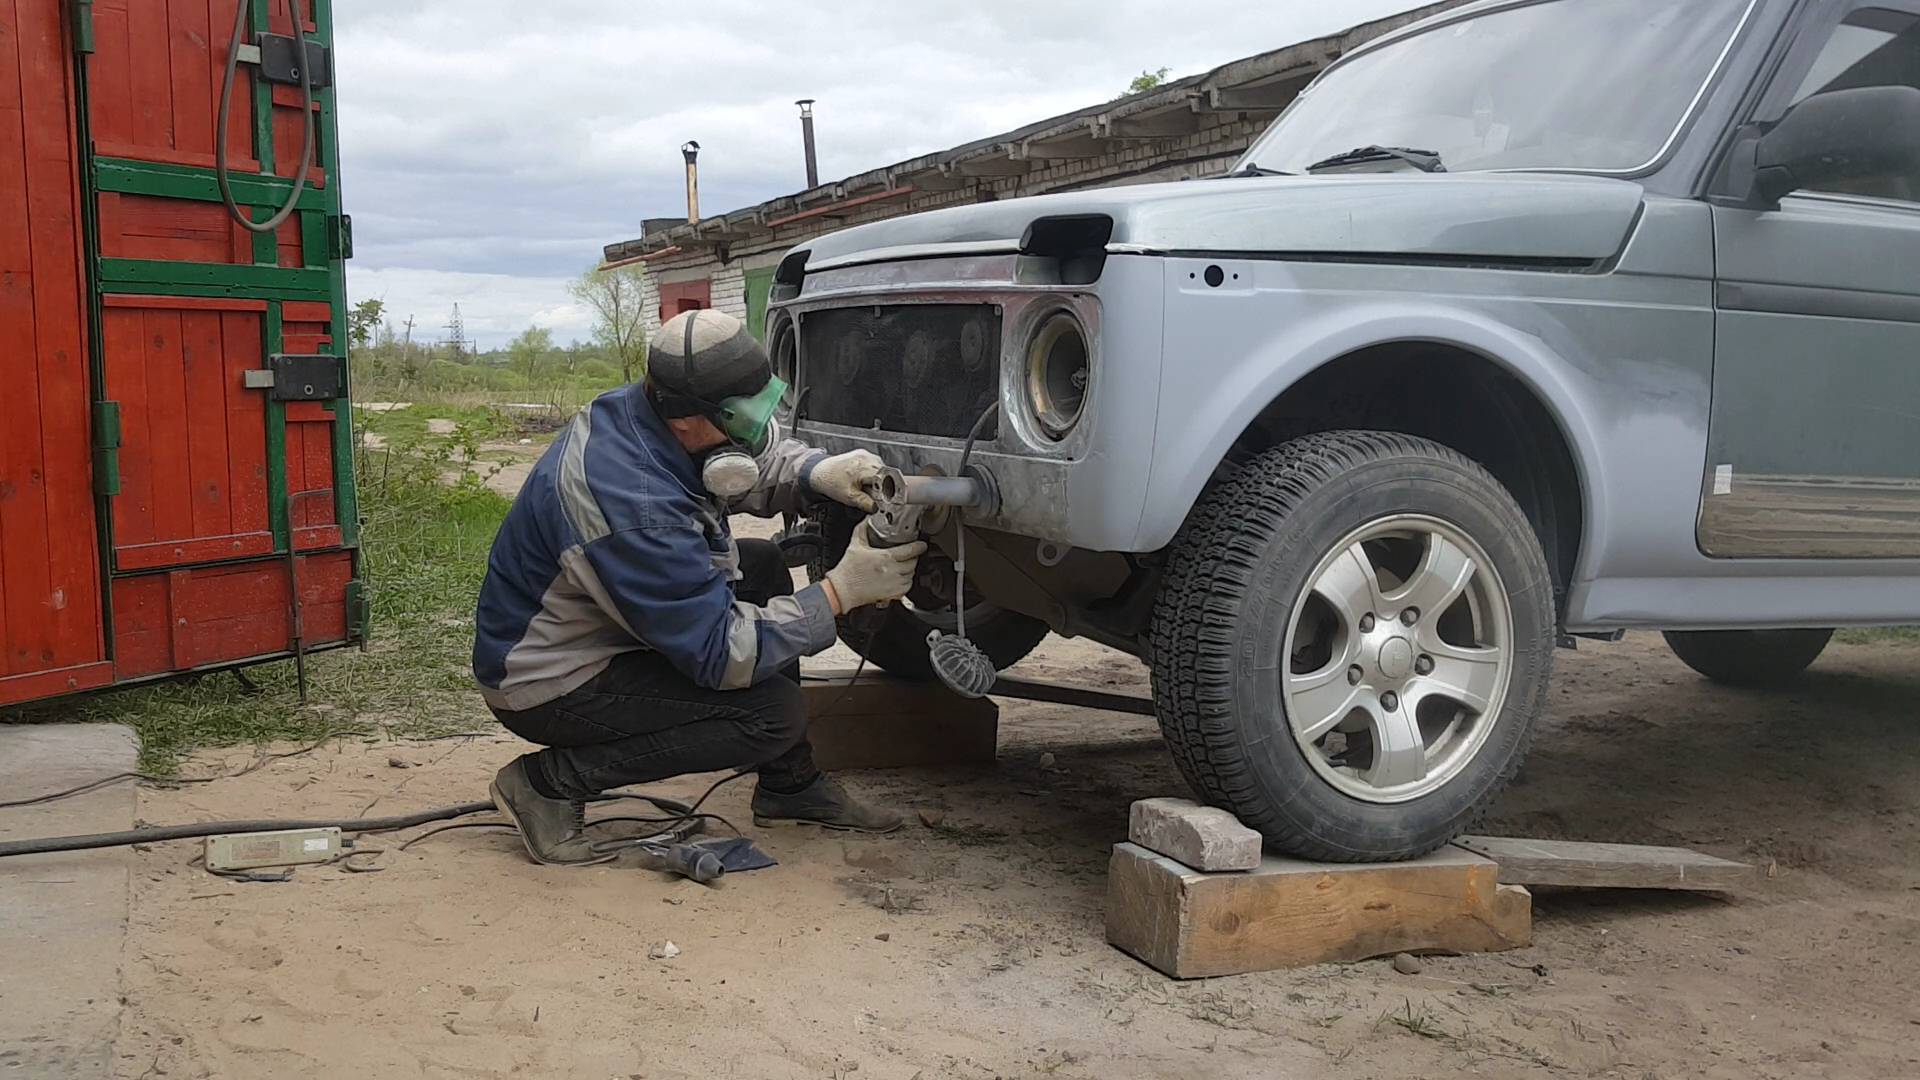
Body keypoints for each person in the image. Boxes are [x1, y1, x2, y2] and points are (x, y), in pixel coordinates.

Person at [472, 309, 926, 864]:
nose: (757, 430)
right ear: (688, 421)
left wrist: (815, 472)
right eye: (743, 418)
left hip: (599, 632)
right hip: (546, 678)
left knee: (757, 565)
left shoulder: (653, 413)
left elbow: (748, 457)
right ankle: (548, 782)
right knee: (769, 714)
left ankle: (790, 785)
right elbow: (721, 654)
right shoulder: (635, 506)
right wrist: (837, 594)